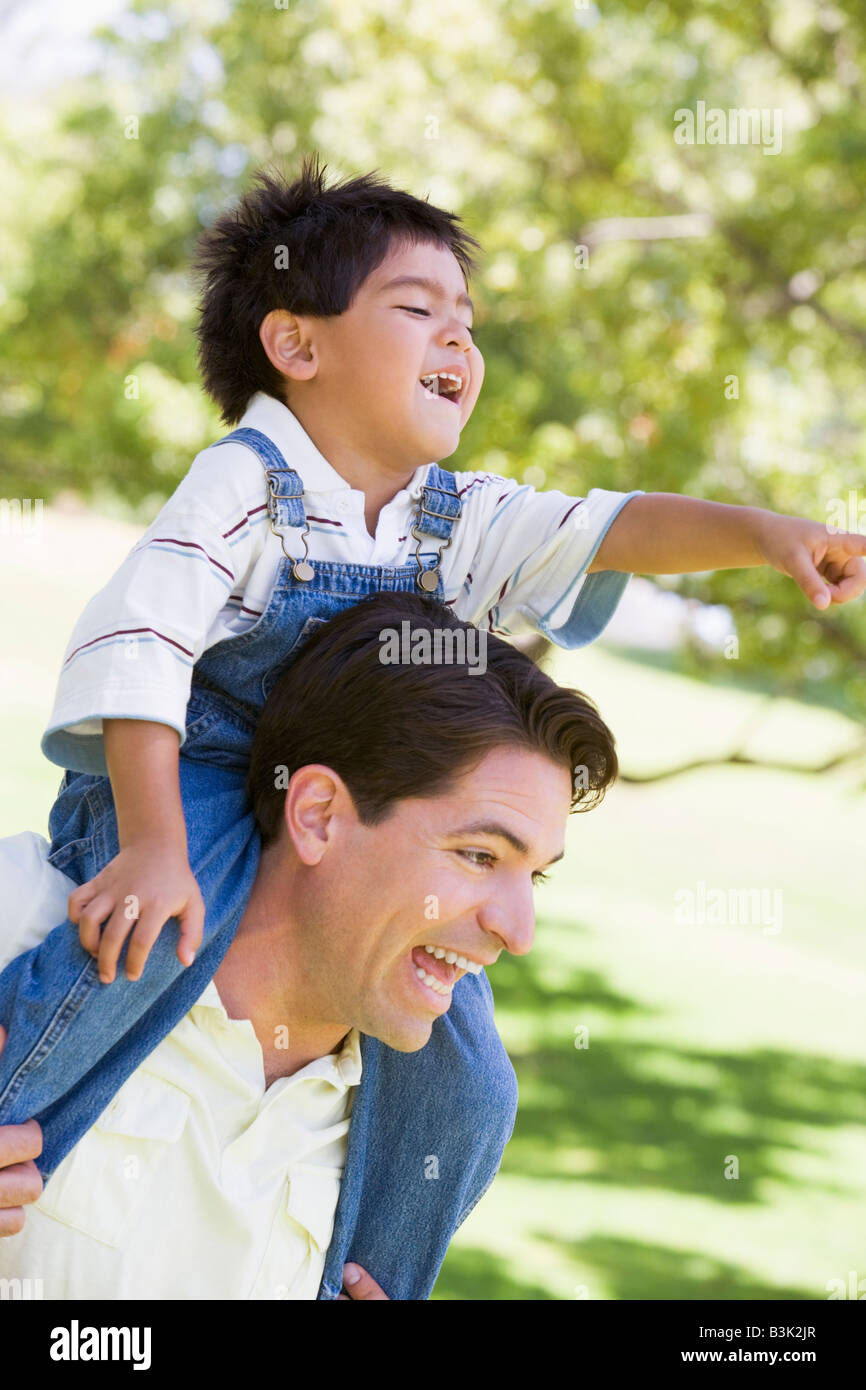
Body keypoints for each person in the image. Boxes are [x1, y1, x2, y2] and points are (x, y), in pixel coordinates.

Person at [1, 154, 864, 1179]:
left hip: (335, 802)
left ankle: (369, 1274)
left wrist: (766, 535)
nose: (458, 336)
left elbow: (607, 526)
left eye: (467, 320)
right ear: (294, 343)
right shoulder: (243, 482)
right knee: (157, 944)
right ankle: (21, 1128)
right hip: (197, 777)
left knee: (469, 1084)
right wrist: (150, 843)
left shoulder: (453, 516)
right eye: (417, 308)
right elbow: (137, 645)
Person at [0, 593, 616, 1300]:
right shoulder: (28, 924)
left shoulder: (401, 1147)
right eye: (478, 855)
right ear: (319, 815)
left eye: (533, 875)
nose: (520, 931)